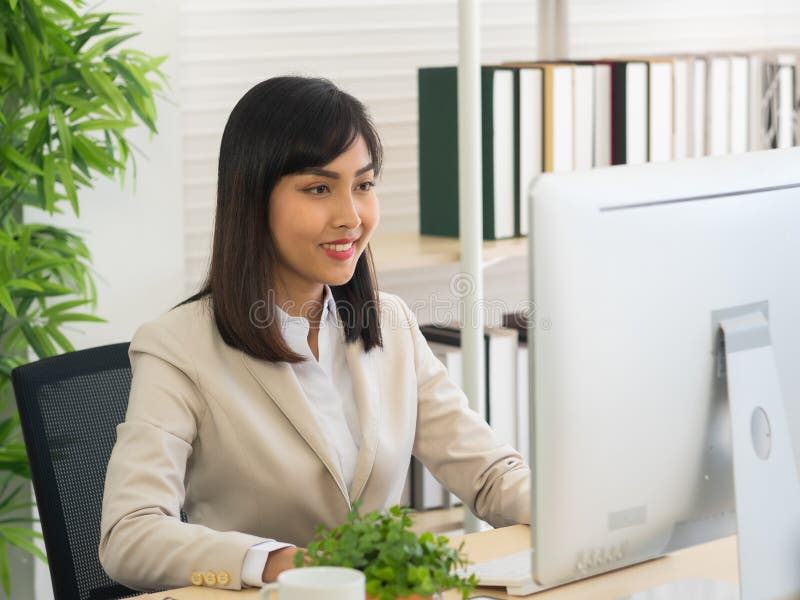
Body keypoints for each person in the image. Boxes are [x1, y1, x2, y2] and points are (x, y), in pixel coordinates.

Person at [99, 76, 531, 592]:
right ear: (252, 197)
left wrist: (579, 516)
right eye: (318, 189)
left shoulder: (391, 323)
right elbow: (129, 534)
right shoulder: (177, 347)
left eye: (363, 186)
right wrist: (284, 563)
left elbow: (489, 474)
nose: (351, 217)